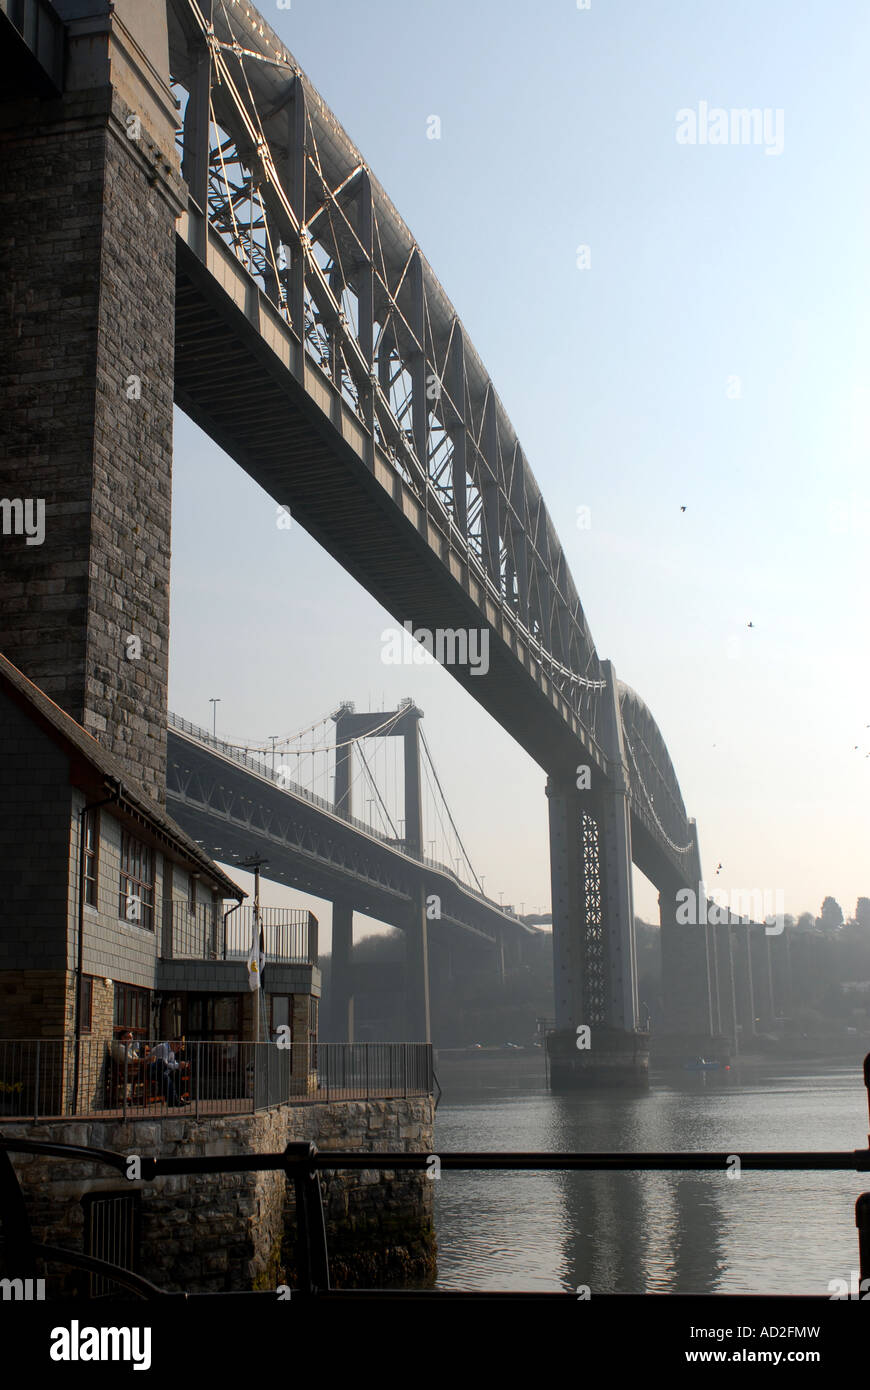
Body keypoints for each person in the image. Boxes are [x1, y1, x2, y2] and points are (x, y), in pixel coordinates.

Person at [148, 1039, 186, 1105]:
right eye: (178, 1047)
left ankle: (179, 1097)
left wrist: (179, 1065)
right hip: (152, 1070)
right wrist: (178, 1065)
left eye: (180, 1048)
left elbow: (172, 1062)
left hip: (162, 1070)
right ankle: (173, 1100)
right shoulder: (163, 1047)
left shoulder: (171, 1050)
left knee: (177, 1073)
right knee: (166, 1076)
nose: (178, 1049)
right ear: (172, 1043)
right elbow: (165, 1063)